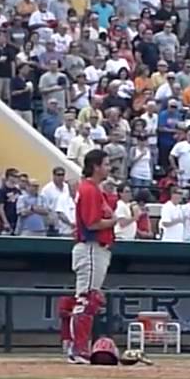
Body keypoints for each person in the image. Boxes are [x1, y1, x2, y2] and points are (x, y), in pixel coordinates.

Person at [67, 149, 116, 364]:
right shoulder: (89, 189)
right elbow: (92, 224)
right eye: (105, 164)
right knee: (86, 300)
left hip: (95, 248)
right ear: (96, 166)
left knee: (89, 300)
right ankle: (78, 350)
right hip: (90, 247)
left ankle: (78, 348)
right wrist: (115, 221)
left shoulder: (93, 189)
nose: (108, 168)